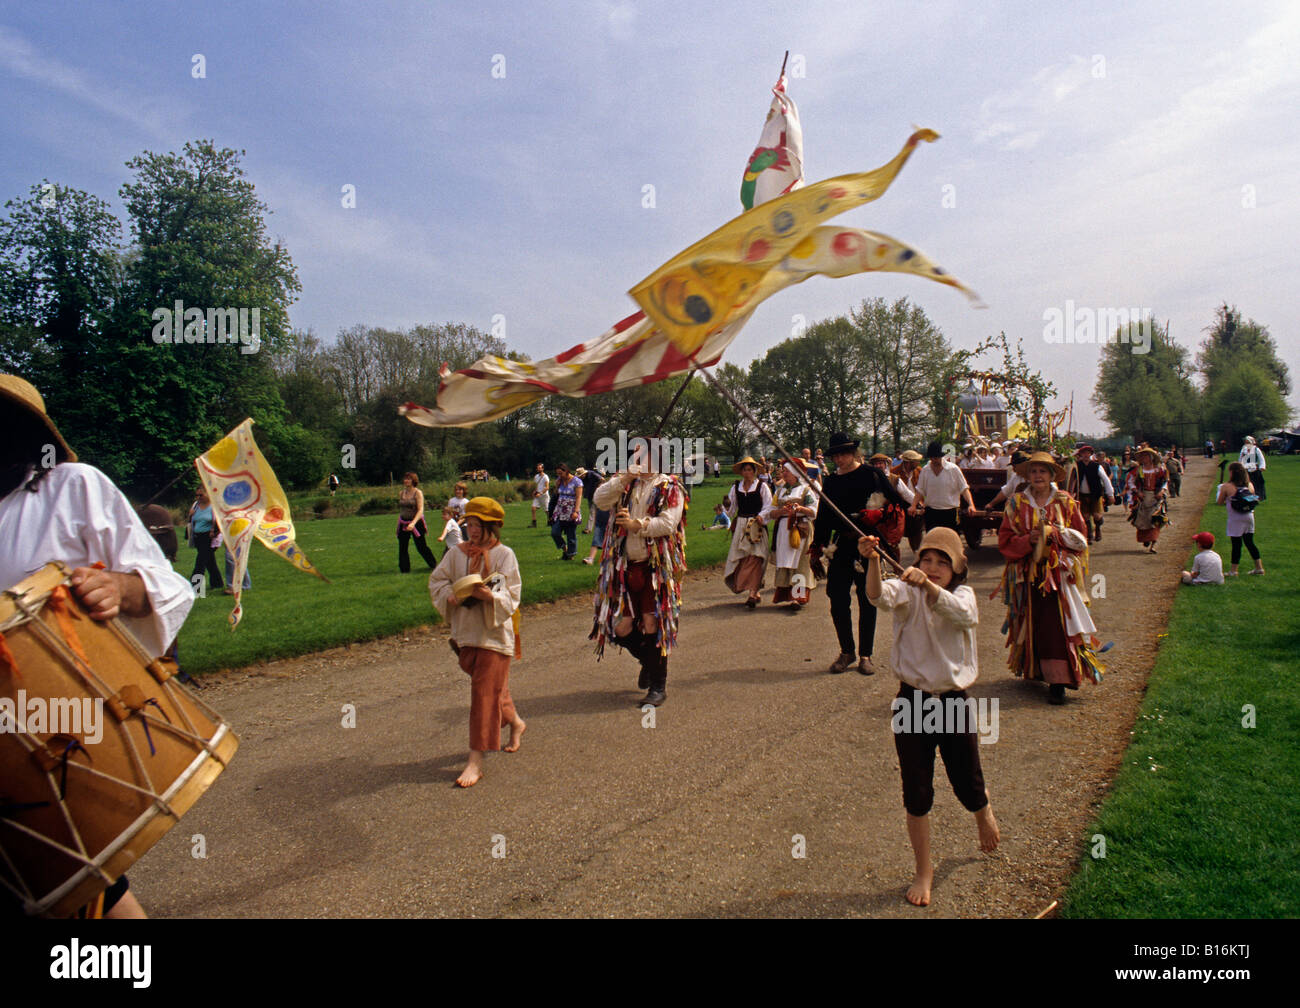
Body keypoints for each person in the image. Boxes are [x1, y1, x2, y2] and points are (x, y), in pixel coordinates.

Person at [0, 374, 194, 918]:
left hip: (55, 726)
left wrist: (120, 588)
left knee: (80, 884)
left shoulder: (72, 487)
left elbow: (165, 583)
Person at [861, 528, 999, 906]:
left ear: (958, 568)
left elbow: (962, 615)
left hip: (953, 702)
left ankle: (981, 808)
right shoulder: (906, 590)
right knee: (916, 790)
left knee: (966, 779)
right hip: (912, 703)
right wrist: (873, 559)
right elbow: (876, 596)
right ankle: (924, 870)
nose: (933, 567)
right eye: (927, 559)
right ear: (917, 561)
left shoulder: (964, 595)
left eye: (943, 562)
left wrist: (930, 588)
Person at [428, 496, 526, 788]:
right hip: (465, 635)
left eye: (476, 525)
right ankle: (517, 722)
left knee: (482, 696)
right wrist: (448, 593)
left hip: (494, 637)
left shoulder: (504, 555)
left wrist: (490, 597)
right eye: (468, 524)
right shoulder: (456, 554)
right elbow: (437, 579)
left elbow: (513, 595)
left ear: (492, 527)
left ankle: (475, 761)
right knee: (492, 690)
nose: (470, 530)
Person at [996, 451, 1103, 704]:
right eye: (1033, 471)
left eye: (1043, 471)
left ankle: (1060, 680)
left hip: (1059, 577)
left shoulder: (1065, 502)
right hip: (1027, 576)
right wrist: (1028, 540)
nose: (1038, 476)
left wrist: (1057, 537)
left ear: (1052, 475)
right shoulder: (1016, 503)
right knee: (1034, 623)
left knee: (1059, 624)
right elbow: (1005, 539)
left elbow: (1081, 538)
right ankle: (1036, 669)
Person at [591, 440, 686, 706]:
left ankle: (658, 686)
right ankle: (648, 661)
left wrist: (637, 525)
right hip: (622, 565)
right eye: (635, 454)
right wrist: (623, 477)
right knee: (620, 627)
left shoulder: (670, 486)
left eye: (643, 454)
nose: (638, 458)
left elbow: (668, 523)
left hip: (654, 568)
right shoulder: (626, 482)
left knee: (652, 623)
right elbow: (599, 500)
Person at [810, 432, 906, 675]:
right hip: (842, 545)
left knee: (868, 598)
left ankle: (866, 654)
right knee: (837, 596)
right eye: (836, 455)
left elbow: (895, 504)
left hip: (868, 544)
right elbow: (823, 519)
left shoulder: (872, 475)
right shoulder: (830, 482)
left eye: (844, 453)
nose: (839, 459)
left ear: (853, 453)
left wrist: (877, 515)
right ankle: (847, 651)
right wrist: (816, 548)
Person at [722, 457, 773, 608]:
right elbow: (731, 511)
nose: (747, 472)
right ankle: (755, 592)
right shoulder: (736, 487)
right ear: (741, 472)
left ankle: (753, 592)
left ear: (755, 471)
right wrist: (726, 506)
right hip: (742, 526)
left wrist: (761, 517)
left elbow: (769, 506)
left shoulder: (762, 487)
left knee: (757, 557)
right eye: (745, 470)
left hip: (757, 525)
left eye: (750, 469)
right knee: (744, 557)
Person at [770, 459, 819, 608]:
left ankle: (797, 597)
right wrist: (780, 511)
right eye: (783, 471)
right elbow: (771, 512)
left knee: (800, 562)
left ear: (795, 473)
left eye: (786, 471)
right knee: (786, 562)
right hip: (784, 529)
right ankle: (787, 595)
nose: (783, 473)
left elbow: (814, 511)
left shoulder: (805, 490)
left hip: (801, 528)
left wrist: (800, 509)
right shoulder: (780, 491)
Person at [911, 441, 978, 533]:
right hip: (931, 513)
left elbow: (964, 489)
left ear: (942, 456)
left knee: (951, 542)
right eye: (933, 457)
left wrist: (971, 505)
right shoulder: (925, 470)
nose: (935, 460)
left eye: (937, 457)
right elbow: (920, 490)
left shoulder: (953, 469)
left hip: (950, 512)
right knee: (933, 543)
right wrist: (913, 505)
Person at [1217, 462, 1264, 576]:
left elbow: (1219, 502)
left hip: (1235, 517)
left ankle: (1234, 570)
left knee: (1236, 544)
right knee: (1250, 542)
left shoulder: (1227, 486)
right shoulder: (1249, 485)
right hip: (1249, 516)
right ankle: (1259, 568)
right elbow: (1252, 498)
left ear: (1232, 472)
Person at [1067, 445, 1114, 544]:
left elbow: (1105, 480)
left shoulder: (1097, 466)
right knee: (1085, 516)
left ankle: (1098, 529)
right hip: (1082, 495)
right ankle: (1089, 535)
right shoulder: (1077, 465)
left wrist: (1110, 494)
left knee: (1097, 515)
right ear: (1080, 455)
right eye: (1083, 453)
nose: (1086, 455)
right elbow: (1072, 481)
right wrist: (1071, 494)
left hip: (1095, 494)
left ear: (1090, 454)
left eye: (1088, 453)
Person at [1126, 447, 1168, 554]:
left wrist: (1161, 491)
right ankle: (1146, 539)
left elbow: (1165, 481)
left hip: (1156, 497)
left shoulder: (1159, 470)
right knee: (1143, 520)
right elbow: (1130, 482)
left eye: (1146, 456)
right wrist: (1137, 492)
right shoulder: (1138, 470)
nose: (1144, 458)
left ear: (1151, 458)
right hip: (1143, 498)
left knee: (1155, 519)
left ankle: (1153, 544)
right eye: (1142, 456)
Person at [397, 472, 437, 572]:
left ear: (413, 480)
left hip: (416, 523)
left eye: (409, 479)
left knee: (421, 546)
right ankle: (404, 570)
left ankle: (434, 565)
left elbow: (420, 510)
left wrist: (413, 523)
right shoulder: (401, 493)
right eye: (405, 479)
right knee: (403, 546)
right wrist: (402, 520)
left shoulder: (417, 492)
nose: (406, 481)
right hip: (404, 522)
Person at [186, 488, 224, 592]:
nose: (198, 498)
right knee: (209, 561)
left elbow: (220, 522)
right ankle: (217, 583)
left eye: (201, 495)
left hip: (210, 538)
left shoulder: (214, 506)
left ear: (208, 493)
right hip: (198, 537)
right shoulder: (195, 505)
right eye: (197, 495)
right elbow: (191, 521)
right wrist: (190, 515)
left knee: (200, 562)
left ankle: (195, 587)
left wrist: (214, 531)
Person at [548, 462, 584, 560]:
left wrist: (576, 511)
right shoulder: (559, 481)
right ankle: (565, 549)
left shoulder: (577, 482)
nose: (559, 476)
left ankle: (570, 555)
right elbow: (556, 495)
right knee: (555, 532)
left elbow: (579, 497)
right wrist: (557, 485)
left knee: (570, 534)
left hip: (571, 511)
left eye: (561, 473)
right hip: (560, 511)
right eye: (558, 474)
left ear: (566, 471)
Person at [1238, 436, 1266, 501]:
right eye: (1246, 442)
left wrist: (1262, 467)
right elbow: (1240, 459)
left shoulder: (1256, 449)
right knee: (1247, 483)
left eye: (1248, 442)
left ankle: (1258, 496)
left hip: (1254, 469)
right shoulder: (1243, 449)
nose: (1247, 443)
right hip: (1246, 469)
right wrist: (1240, 467)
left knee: (1257, 483)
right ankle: (1247, 497)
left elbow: (1261, 459)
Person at [578, 467, 602, 533]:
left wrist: (598, 488)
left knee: (592, 511)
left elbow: (602, 479)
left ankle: (588, 529)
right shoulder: (582, 479)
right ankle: (598, 527)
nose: (580, 477)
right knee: (595, 512)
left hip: (596, 495)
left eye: (581, 475)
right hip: (589, 495)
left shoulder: (592, 474)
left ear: (584, 473)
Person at [530, 463, 549, 528]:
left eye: (539, 468)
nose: (538, 469)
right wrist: (534, 491)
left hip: (544, 495)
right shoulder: (536, 476)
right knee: (533, 508)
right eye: (537, 468)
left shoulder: (545, 477)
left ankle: (550, 521)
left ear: (542, 469)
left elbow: (547, 487)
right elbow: (536, 485)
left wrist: (540, 493)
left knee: (547, 510)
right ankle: (534, 523)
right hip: (537, 495)